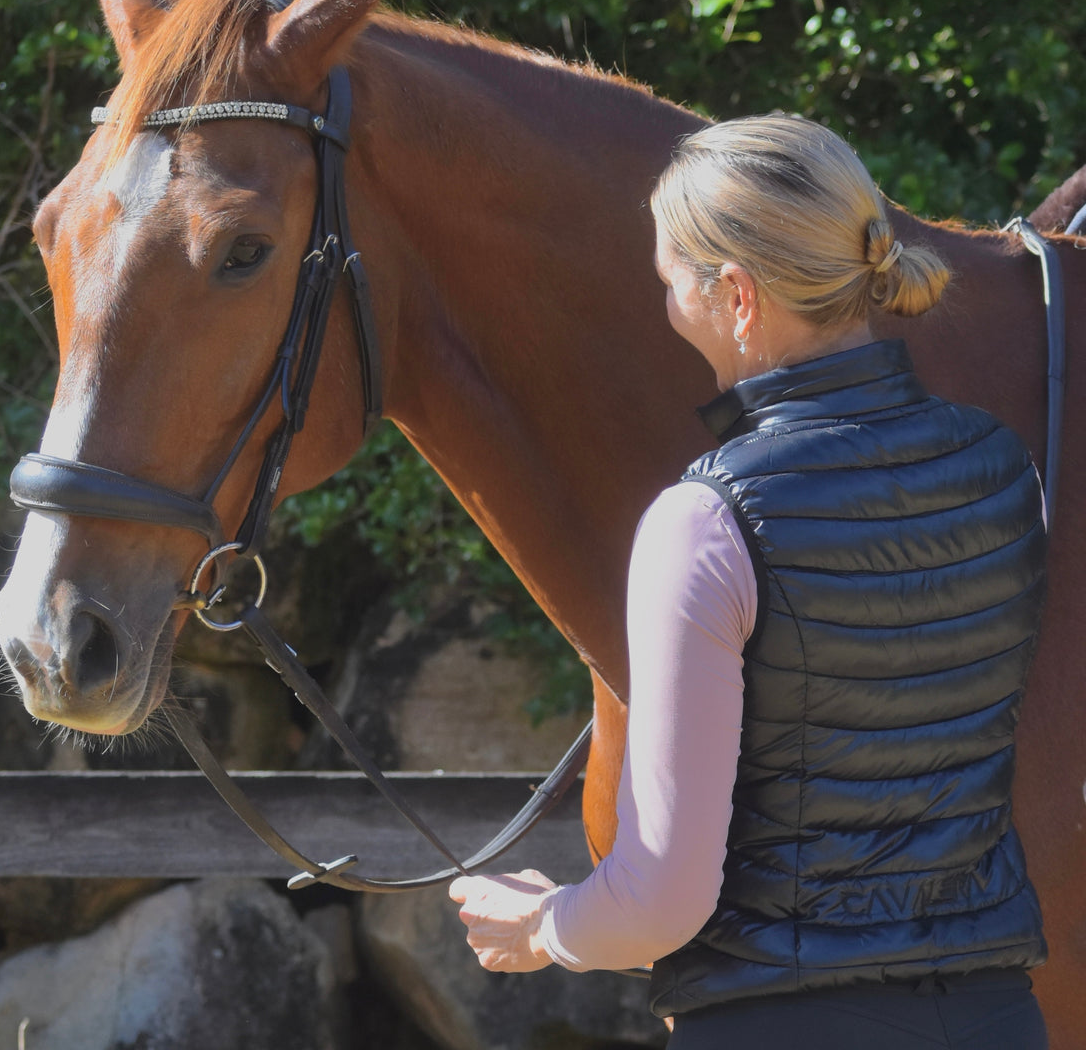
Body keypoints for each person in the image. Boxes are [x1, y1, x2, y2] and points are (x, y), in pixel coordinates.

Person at [448, 114, 1049, 1049]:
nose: (663, 306)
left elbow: (661, 899)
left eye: (668, 282)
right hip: (995, 1020)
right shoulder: (1007, 471)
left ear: (734, 295)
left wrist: (542, 926)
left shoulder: (705, 521)